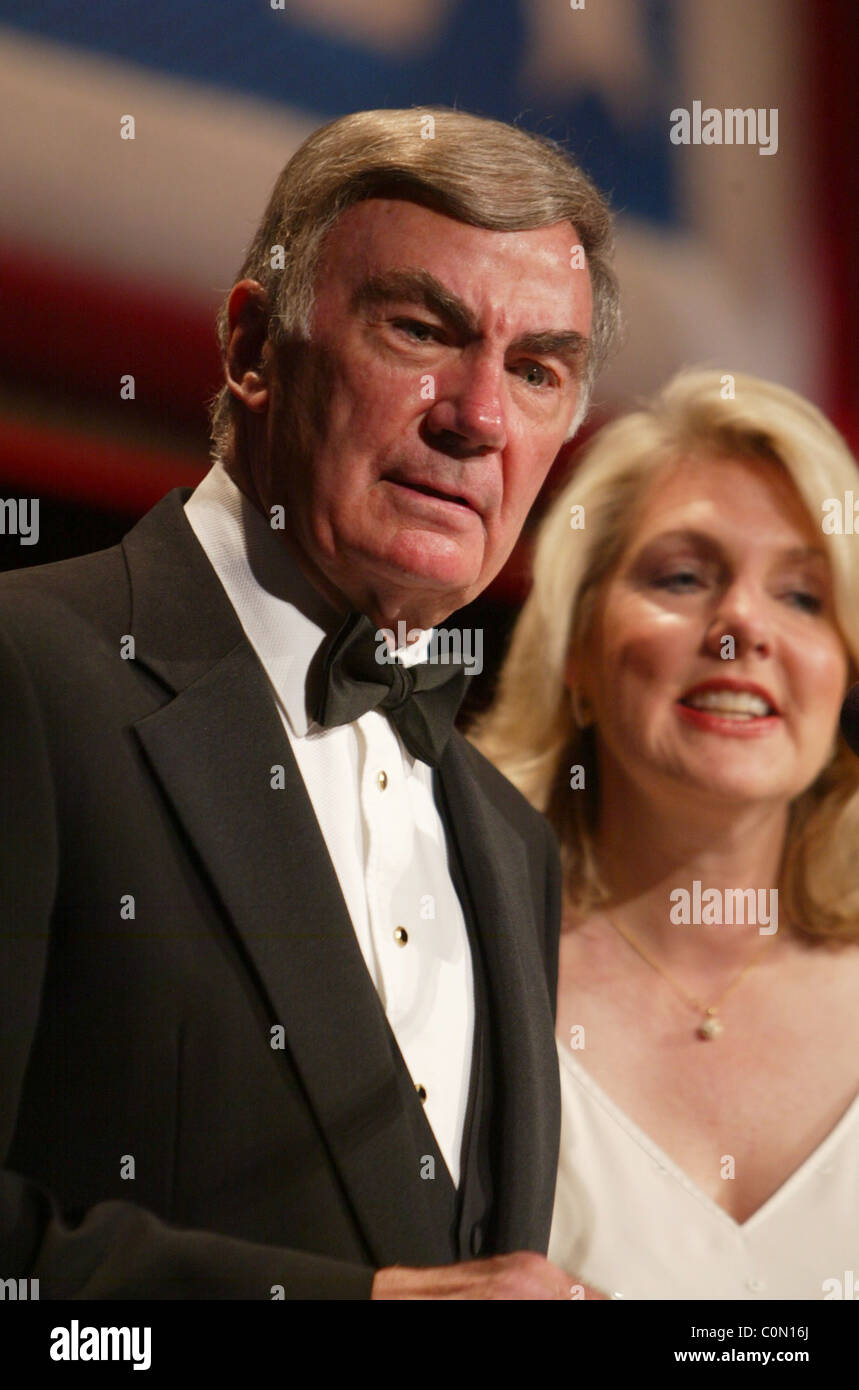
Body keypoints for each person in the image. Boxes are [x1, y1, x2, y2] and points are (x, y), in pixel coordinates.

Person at [0, 107, 620, 1299]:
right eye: (419, 330)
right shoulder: (28, 673)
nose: (477, 416)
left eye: (535, 370)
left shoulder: (510, 841)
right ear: (251, 347)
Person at [470, 368, 859, 1299]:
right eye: (682, 577)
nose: (742, 626)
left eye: (803, 597)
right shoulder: (451, 968)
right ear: (575, 649)